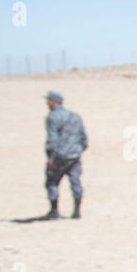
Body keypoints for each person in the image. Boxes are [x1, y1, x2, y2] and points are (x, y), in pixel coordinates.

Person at [43, 90, 87, 219]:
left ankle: (54, 211)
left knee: (52, 182)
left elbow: (52, 139)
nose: (47, 103)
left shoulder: (52, 117)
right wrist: (78, 151)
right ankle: (77, 211)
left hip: (59, 156)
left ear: (53, 102)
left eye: (48, 101)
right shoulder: (75, 116)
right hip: (74, 155)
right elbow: (83, 138)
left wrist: (51, 157)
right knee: (75, 182)